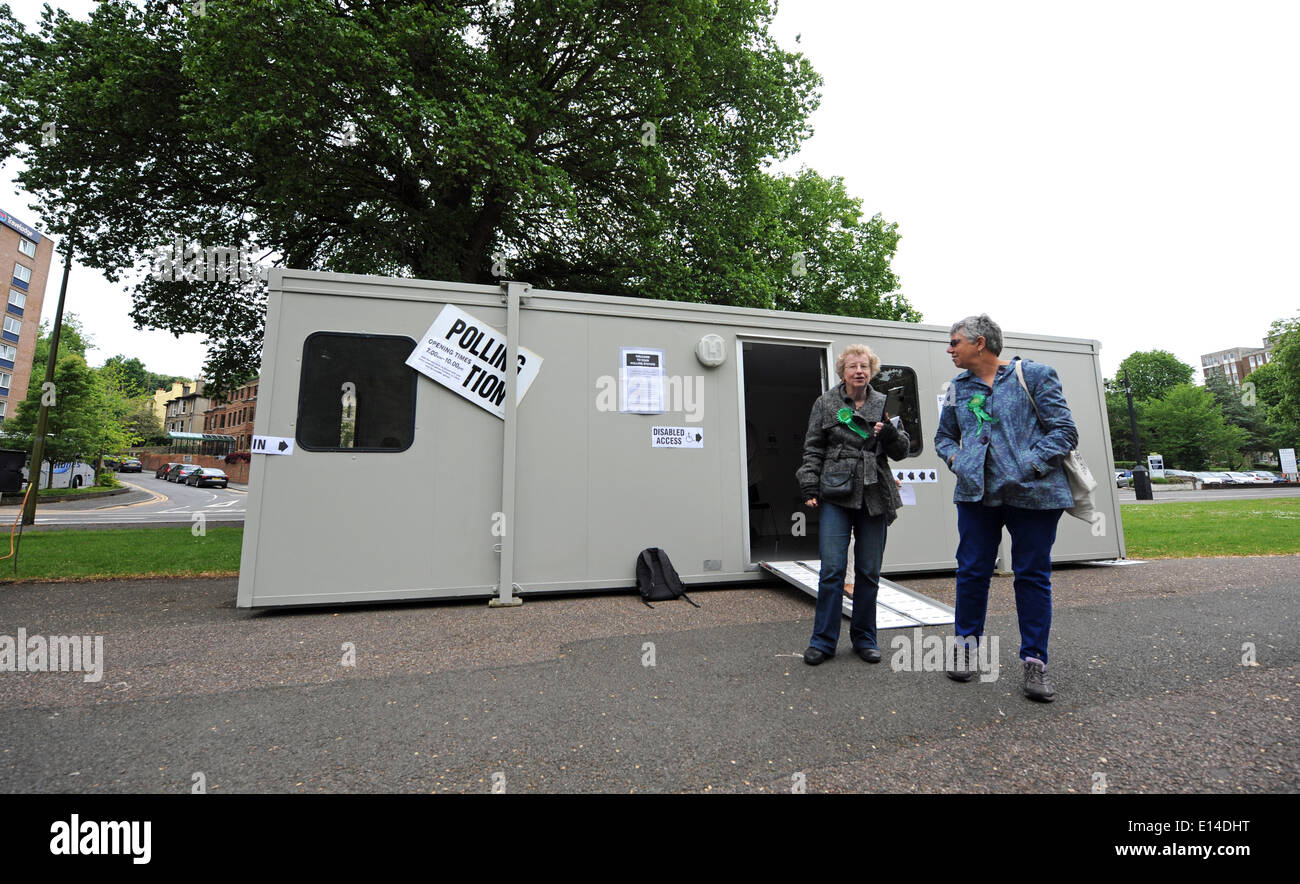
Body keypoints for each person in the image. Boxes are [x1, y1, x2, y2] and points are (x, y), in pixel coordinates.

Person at [933, 314, 1078, 702]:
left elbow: (1064, 430)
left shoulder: (1034, 375)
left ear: (980, 343)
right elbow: (943, 437)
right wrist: (957, 461)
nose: (950, 349)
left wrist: (1027, 465)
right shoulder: (957, 388)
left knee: (1031, 576)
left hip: (1034, 495)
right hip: (976, 495)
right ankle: (966, 650)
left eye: (955, 342)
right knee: (972, 572)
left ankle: (1035, 661)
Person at [796, 344, 910, 666]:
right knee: (832, 570)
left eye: (864, 366)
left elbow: (900, 450)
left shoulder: (882, 403)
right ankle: (823, 642)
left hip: (873, 493)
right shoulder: (826, 403)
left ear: (871, 371)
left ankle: (864, 638)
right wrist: (808, 483)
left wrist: (888, 433)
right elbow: (813, 448)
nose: (858, 371)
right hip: (836, 492)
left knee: (868, 572)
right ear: (842, 372)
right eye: (852, 366)